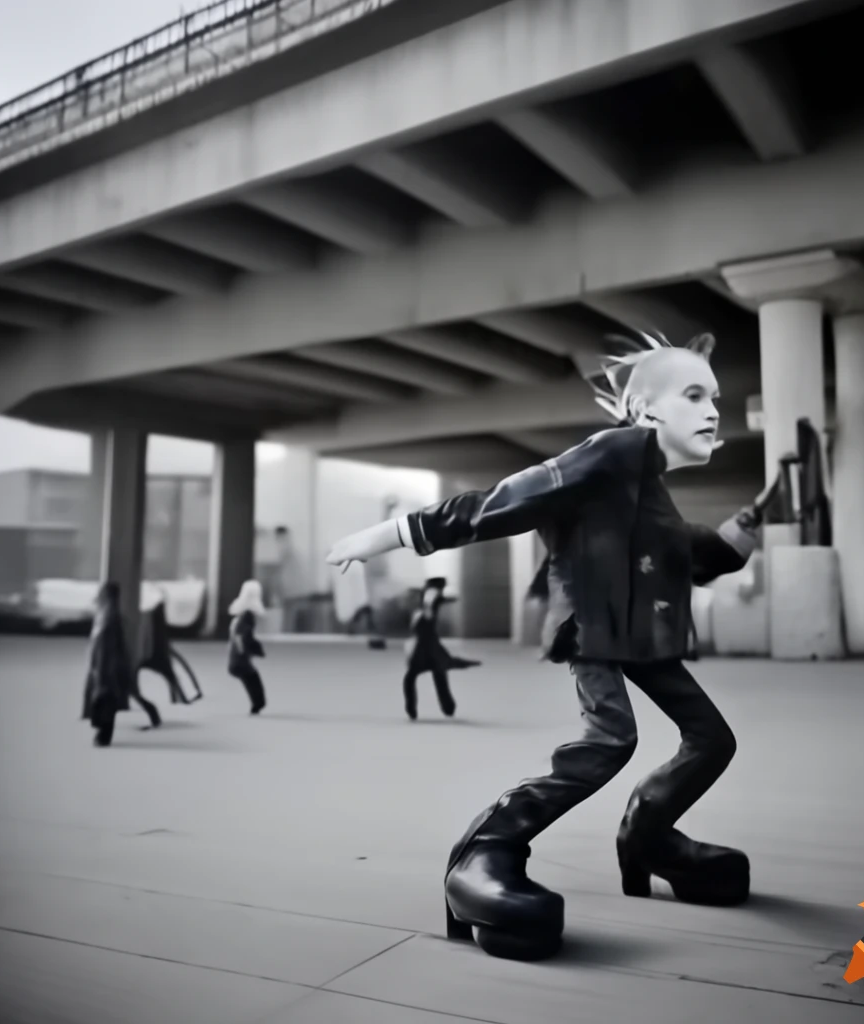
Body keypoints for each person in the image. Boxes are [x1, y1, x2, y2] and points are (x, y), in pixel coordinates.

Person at [327, 327, 781, 962]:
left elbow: (693, 550)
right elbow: (506, 501)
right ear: (646, 410)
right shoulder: (614, 452)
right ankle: (486, 850)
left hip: (641, 636)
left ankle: (647, 837)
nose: (712, 411)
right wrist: (390, 534)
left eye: (716, 398)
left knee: (711, 739)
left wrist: (757, 515)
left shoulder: (647, 483)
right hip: (595, 629)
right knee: (610, 738)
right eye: (694, 395)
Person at [82, 581, 161, 746]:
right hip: (109, 667)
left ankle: (104, 735)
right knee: (114, 697)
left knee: (106, 699)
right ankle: (104, 733)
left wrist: (103, 668)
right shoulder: (110, 616)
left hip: (108, 668)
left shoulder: (109, 619)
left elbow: (108, 647)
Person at [402, 577, 481, 720]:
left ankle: (414, 709)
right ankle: (448, 707)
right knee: (438, 673)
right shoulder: (430, 596)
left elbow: (429, 603)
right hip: (430, 643)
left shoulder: (429, 596)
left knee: (413, 676)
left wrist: (428, 606)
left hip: (425, 644)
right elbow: (433, 601)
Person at [138, 594, 202, 704]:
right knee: (171, 677)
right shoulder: (156, 621)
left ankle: (179, 698)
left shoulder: (149, 619)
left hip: (154, 653)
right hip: (159, 654)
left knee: (171, 677)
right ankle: (181, 698)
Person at [228, 579, 267, 715]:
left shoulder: (241, 614)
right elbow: (241, 636)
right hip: (240, 658)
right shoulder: (248, 616)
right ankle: (258, 704)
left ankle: (257, 704)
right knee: (253, 680)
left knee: (250, 680)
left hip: (236, 658)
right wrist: (245, 651)